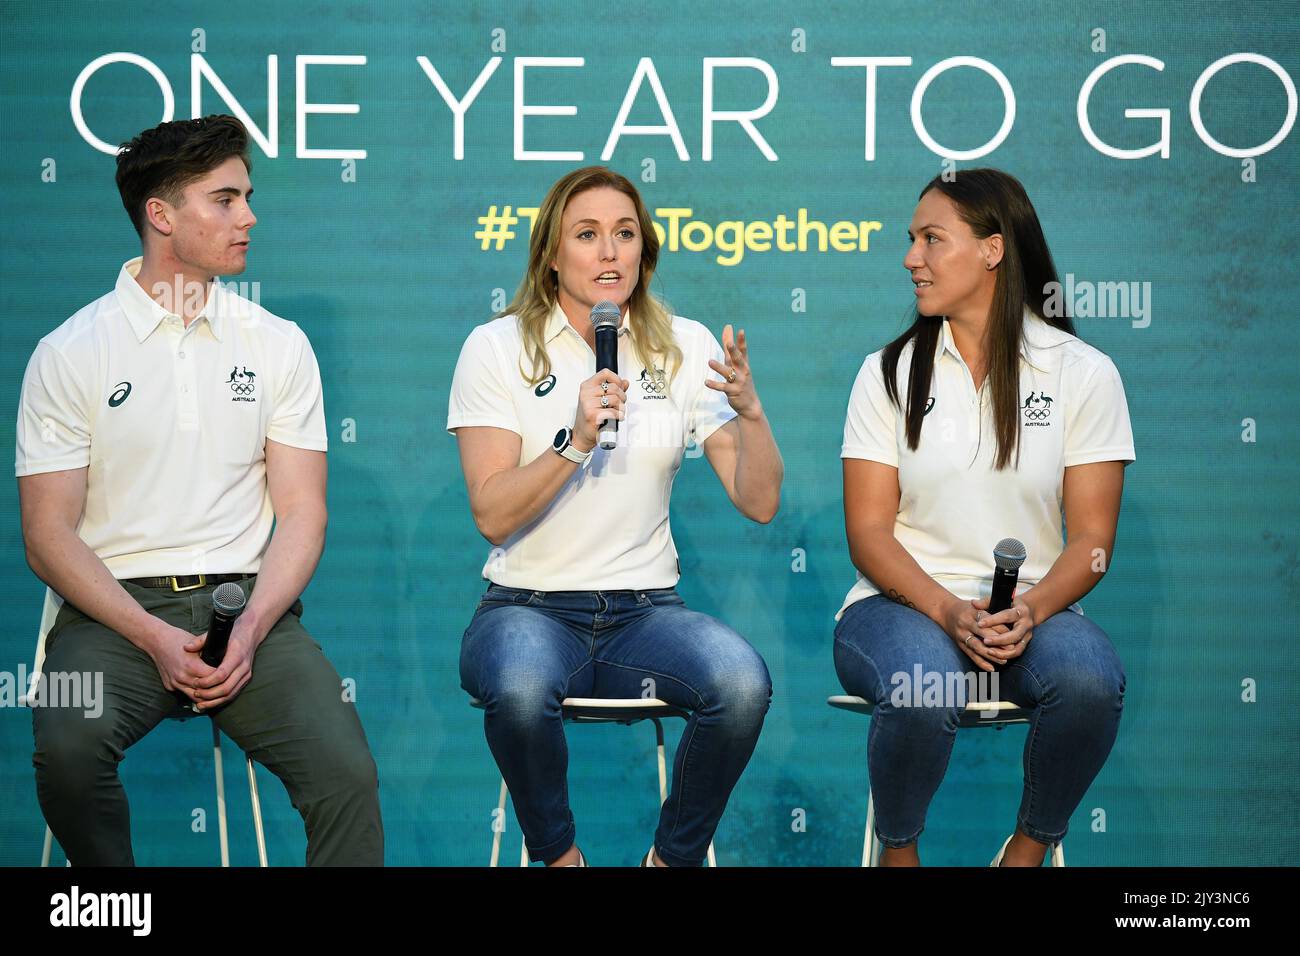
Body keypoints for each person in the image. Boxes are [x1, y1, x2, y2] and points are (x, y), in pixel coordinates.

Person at [16, 115, 383, 866]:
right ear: (161, 215)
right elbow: (47, 535)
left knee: (348, 775)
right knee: (67, 748)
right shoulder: (69, 352)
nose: (249, 217)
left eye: (247, 196)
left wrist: (246, 634)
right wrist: (152, 637)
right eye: (224, 199)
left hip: (247, 612)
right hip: (109, 616)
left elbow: (304, 513)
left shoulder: (278, 344)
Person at [448, 165, 782, 867]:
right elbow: (490, 512)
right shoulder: (496, 347)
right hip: (528, 608)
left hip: (644, 615)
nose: (609, 252)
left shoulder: (684, 346)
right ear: (551, 253)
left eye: (625, 234)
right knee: (518, 688)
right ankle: (562, 858)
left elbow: (759, 501)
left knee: (743, 684)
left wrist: (753, 417)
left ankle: (669, 861)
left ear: (644, 252)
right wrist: (572, 441)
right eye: (589, 234)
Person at [834, 168, 1133, 867]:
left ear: (993, 250)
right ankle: (898, 853)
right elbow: (869, 534)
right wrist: (945, 610)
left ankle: (1025, 852)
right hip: (898, 606)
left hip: (1031, 614)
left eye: (932, 240)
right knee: (919, 683)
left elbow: (1093, 539)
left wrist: (1030, 609)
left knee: (1090, 681)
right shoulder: (886, 373)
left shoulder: (1083, 374)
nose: (911, 257)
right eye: (912, 240)